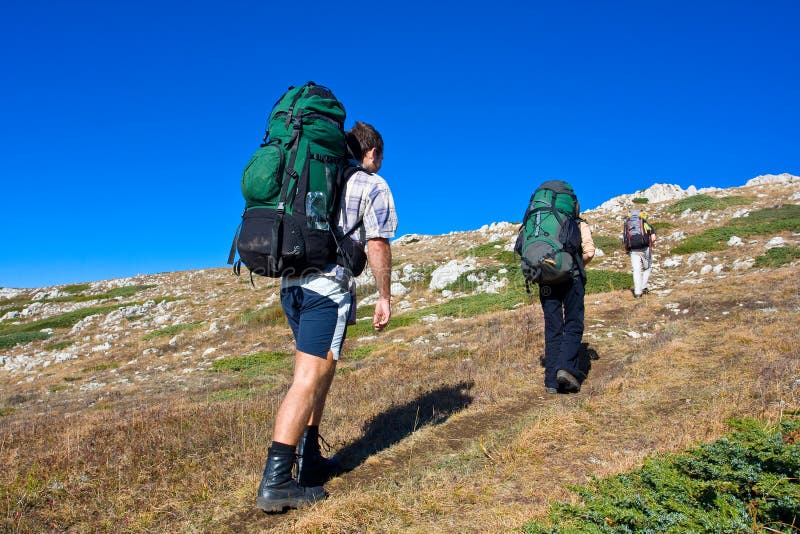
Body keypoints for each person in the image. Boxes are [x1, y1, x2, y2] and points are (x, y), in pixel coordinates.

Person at [256, 121, 397, 512]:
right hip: (325, 290)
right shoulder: (371, 185)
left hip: (291, 286)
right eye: (380, 158)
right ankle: (277, 481)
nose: (380, 165)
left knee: (323, 369)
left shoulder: (310, 177)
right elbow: (378, 243)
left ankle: (309, 456)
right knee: (307, 379)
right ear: (371, 153)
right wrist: (384, 296)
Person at [539, 200, 595, 395]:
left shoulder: (539, 222)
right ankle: (565, 369)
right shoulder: (579, 223)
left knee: (553, 327)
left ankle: (551, 382)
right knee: (573, 323)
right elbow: (589, 252)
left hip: (545, 279)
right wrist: (577, 263)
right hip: (573, 278)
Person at [624, 210, 656, 298]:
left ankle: (637, 293)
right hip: (644, 248)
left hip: (633, 250)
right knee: (647, 267)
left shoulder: (628, 225)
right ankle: (644, 287)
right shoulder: (645, 224)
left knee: (636, 270)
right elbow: (653, 238)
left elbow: (625, 238)